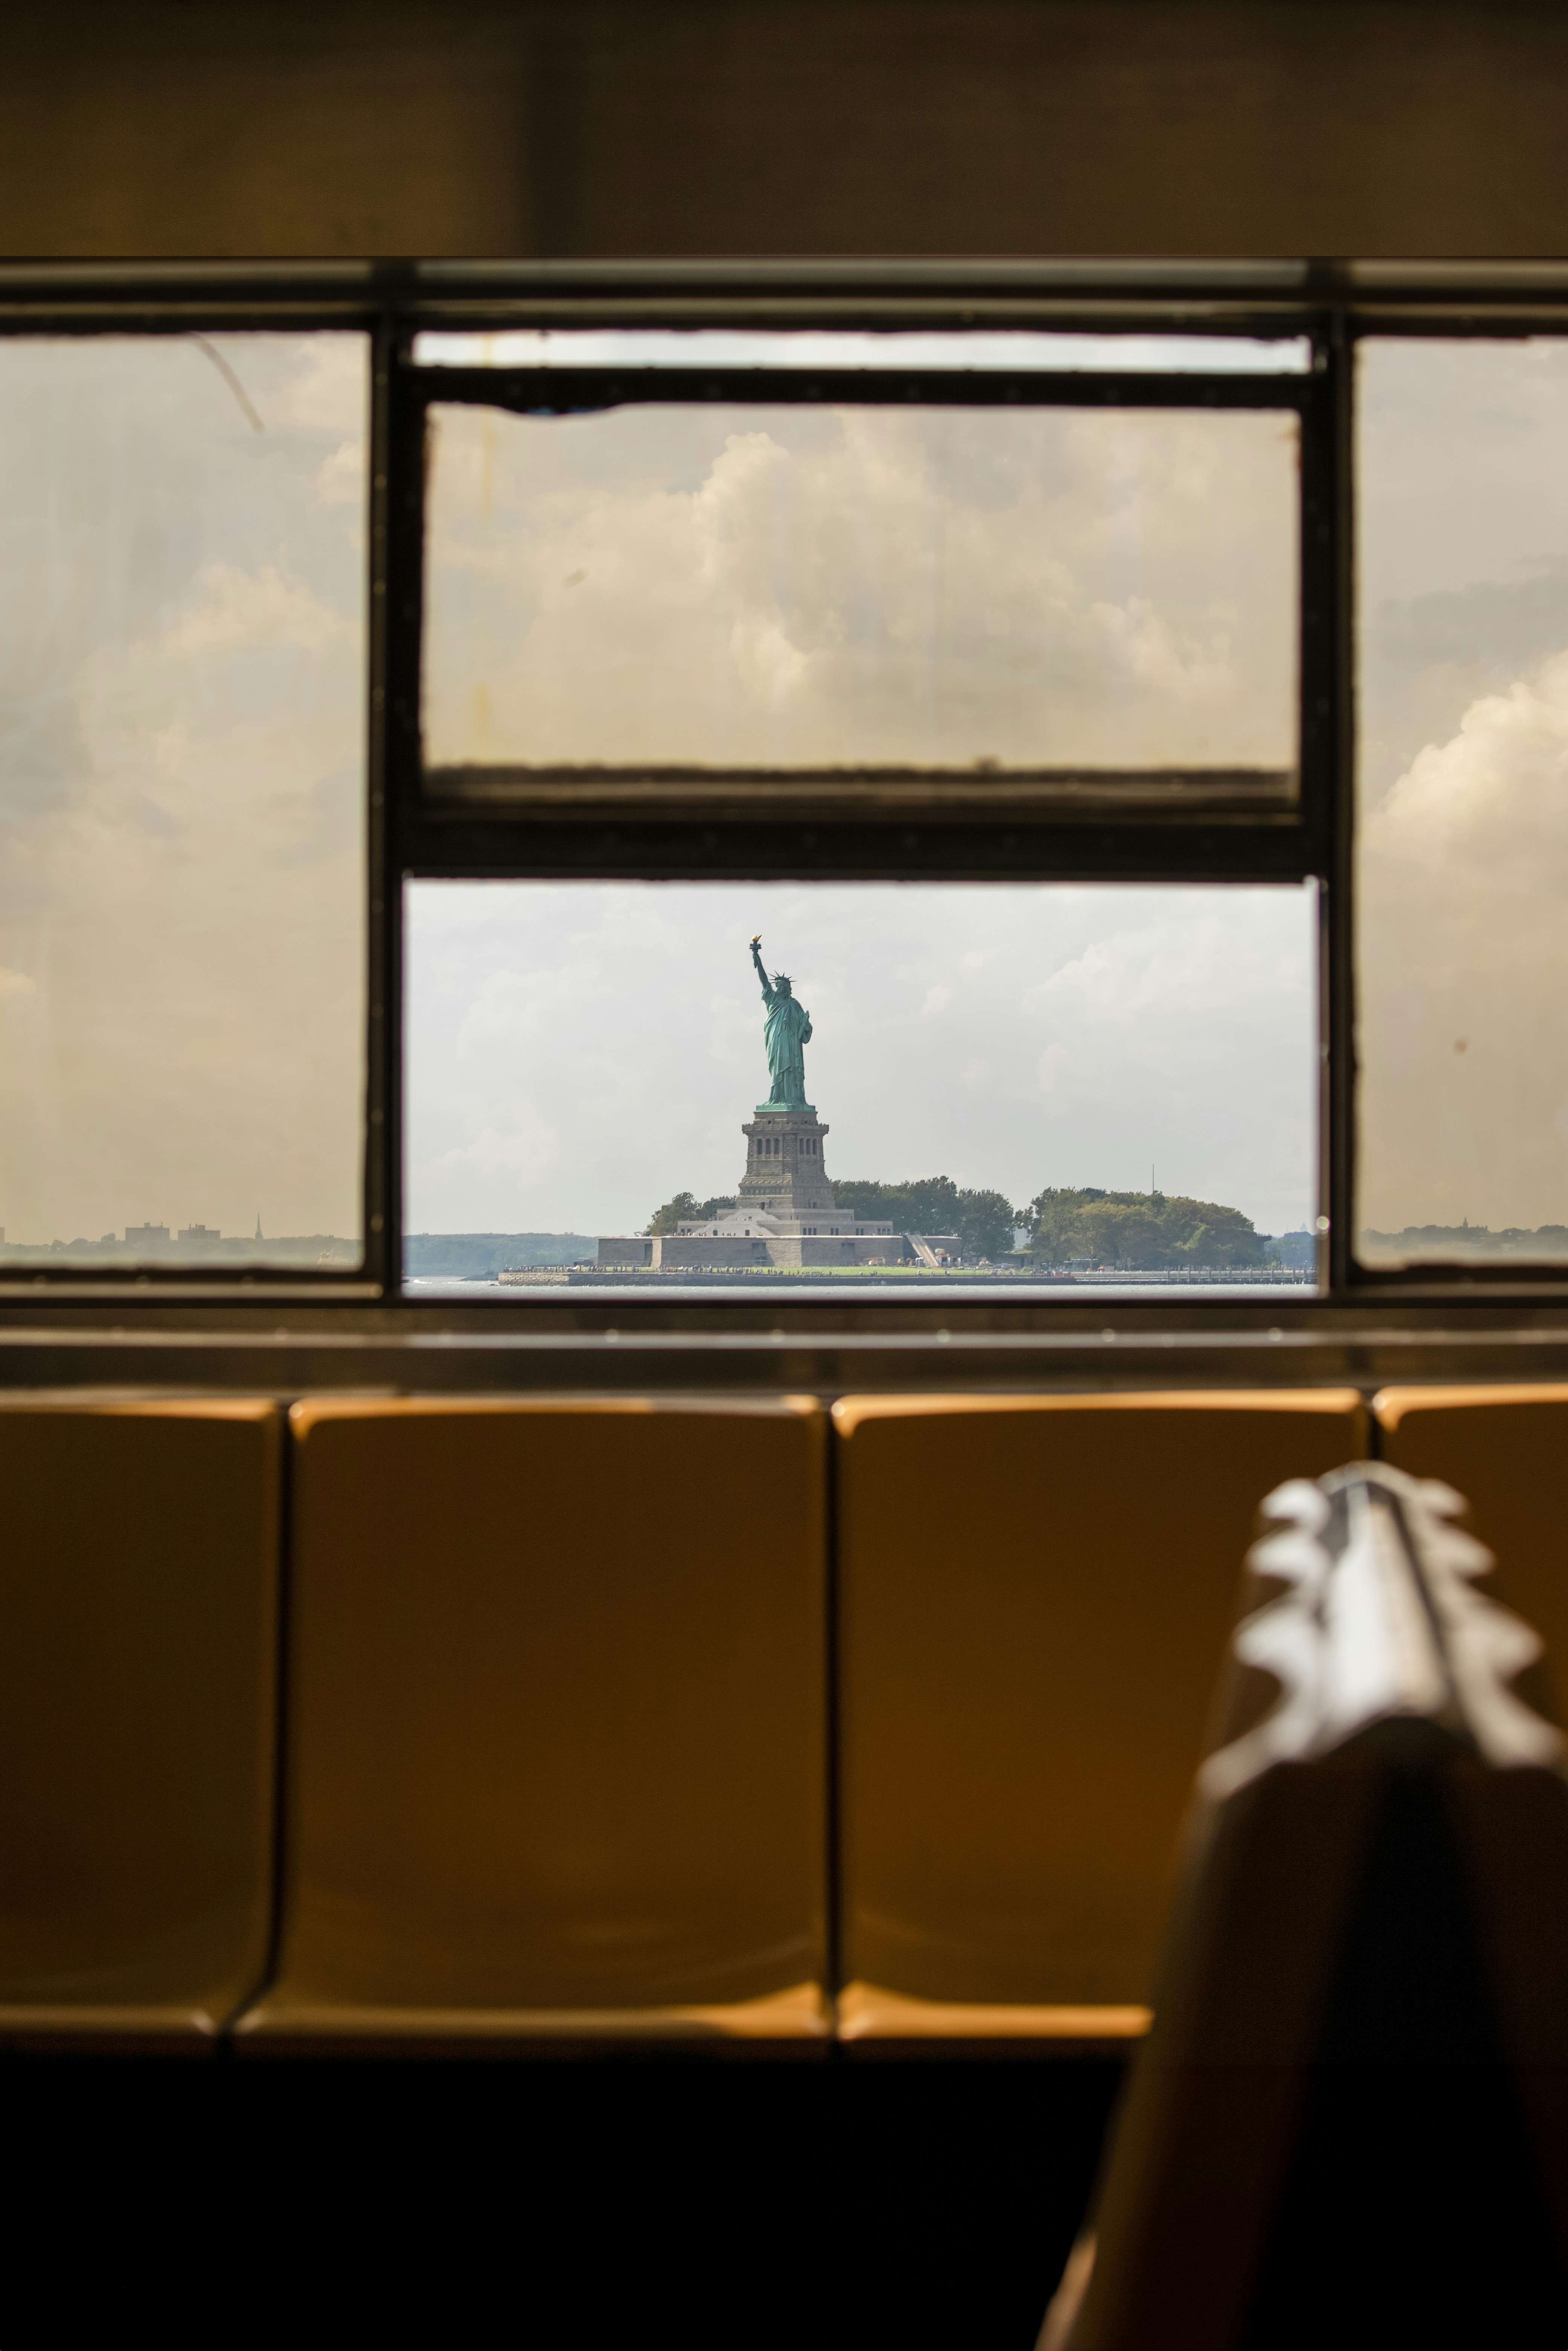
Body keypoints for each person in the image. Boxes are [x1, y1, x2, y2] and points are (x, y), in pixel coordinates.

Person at [749, 936, 812, 1110]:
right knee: (777, 1067)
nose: (779, 989)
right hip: (776, 1040)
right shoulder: (772, 1000)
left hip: (792, 1044)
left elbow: (805, 1027)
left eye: (782, 987)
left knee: (792, 1069)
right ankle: (776, 1098)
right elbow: (763, 980)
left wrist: (806, 1026)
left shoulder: (794, 1005)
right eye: (777, 986)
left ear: (789, 988)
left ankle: (793, 1099)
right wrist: (757, 956)